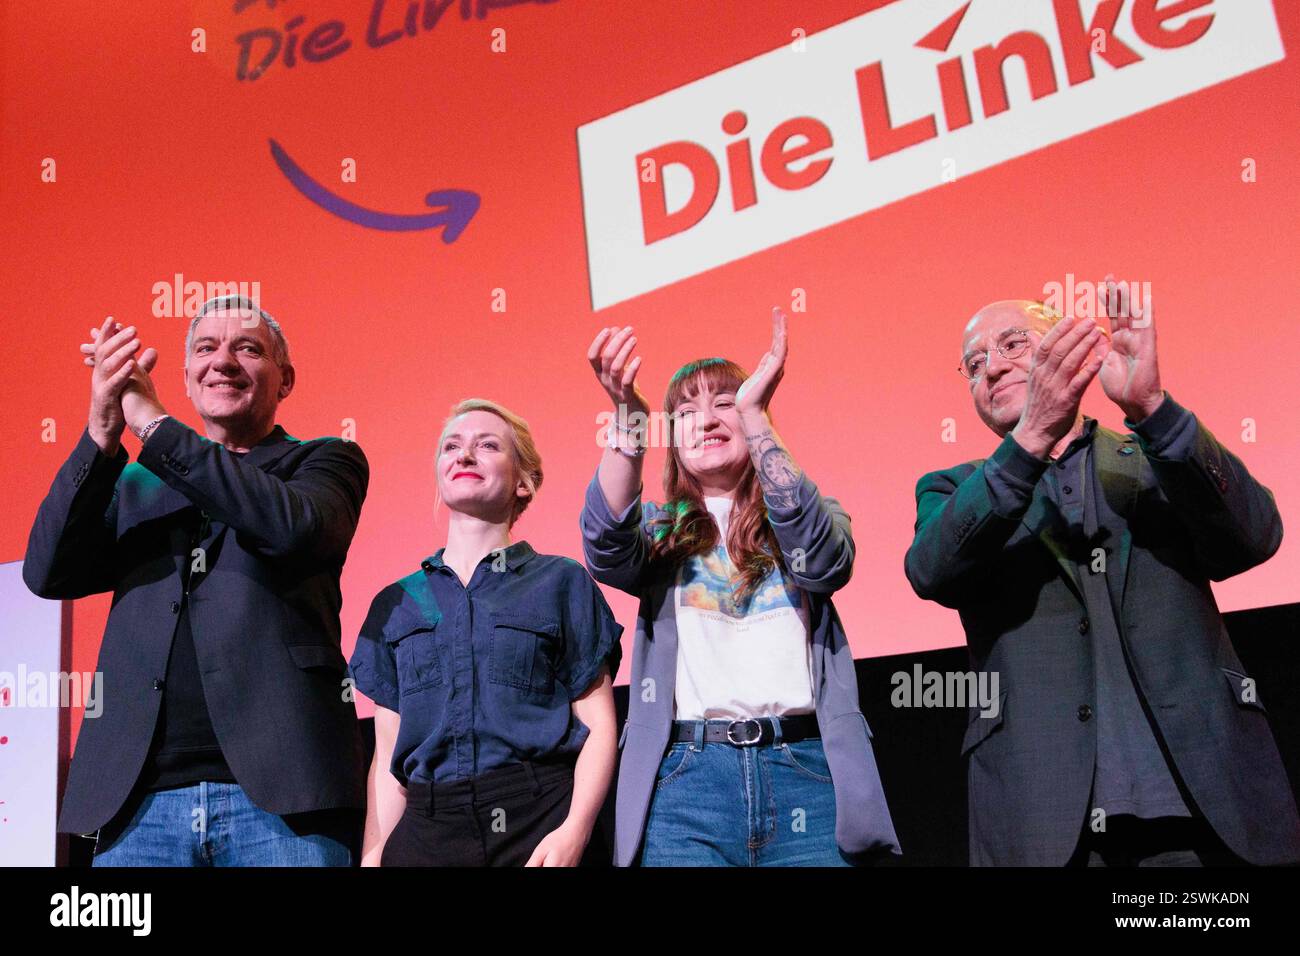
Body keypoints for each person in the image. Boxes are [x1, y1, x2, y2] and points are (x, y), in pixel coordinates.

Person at [904, 283, 1300, 866]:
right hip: (1046, 818)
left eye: (1013, 344)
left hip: (1200, 802)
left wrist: (1153, 409)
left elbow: (1256, 536)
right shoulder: (954, 489)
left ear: (1069, 349)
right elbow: (931, 570)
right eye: (973, 364)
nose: (992, 369)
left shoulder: (1158, 456)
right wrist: (1031, 439)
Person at [25, 295, 369, 866]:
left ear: (285, 380)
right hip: (138, 805)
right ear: (185, 379)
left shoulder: (325, 462)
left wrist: (155, 427)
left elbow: (295, 530)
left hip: (285, 804)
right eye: (206, 349)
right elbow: (48, 570)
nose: (223, 361)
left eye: (248, 348)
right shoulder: (137, 483)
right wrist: (103, 432)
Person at [580, 308, 900, 867]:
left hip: (804, 769)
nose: (705, 419)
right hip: (688, 781)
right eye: (684, 411)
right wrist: (630, 416)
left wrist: (756, 420)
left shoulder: (809, 511)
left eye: (724, 402)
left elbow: (824, 562)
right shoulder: (660, 529)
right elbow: (604, 544)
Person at [349, 399, 622, 866]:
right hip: (429, 829)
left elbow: (599, 726)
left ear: (524, 481)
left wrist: (575, 830)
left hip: (536, 819)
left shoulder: (561, 581)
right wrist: (374, 854)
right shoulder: (396, 602)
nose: (465, 455)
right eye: (451, 446)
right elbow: (389, 751)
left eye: (487, 445)